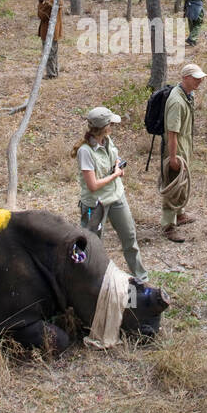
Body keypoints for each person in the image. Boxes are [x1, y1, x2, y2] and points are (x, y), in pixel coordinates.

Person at [74, 106, 147, 283]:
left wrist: (117, 164)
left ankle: (141, 279)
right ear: (104, 126)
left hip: (116, 197)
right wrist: (115, 174)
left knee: (130, 238)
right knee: (90, 245)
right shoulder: (85, 151)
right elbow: (92, 186)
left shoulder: (107, 140)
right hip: (95, 205)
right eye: (111, 123)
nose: (113, 126)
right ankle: (85, 282)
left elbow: (114, 157)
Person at [161, 63, 206, 242]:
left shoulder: (187, 95)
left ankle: (179, 214)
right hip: (176, 148)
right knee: (173, 184)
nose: (200, 81)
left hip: (184, 146)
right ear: (185, 78)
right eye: (196, 78)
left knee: (182, 183)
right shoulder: (177, 101)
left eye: (200, 77)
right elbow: (172, 132)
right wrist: (173, 157)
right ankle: (168, 225)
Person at [37, 0, 62, 79]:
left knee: (49, 53)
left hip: (48, 32)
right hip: (54, 32)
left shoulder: (49, 3)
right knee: (53, 53)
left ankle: (51, 74)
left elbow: (41, 15)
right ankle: (54, 72)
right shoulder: (55, 0)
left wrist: (40, 3)